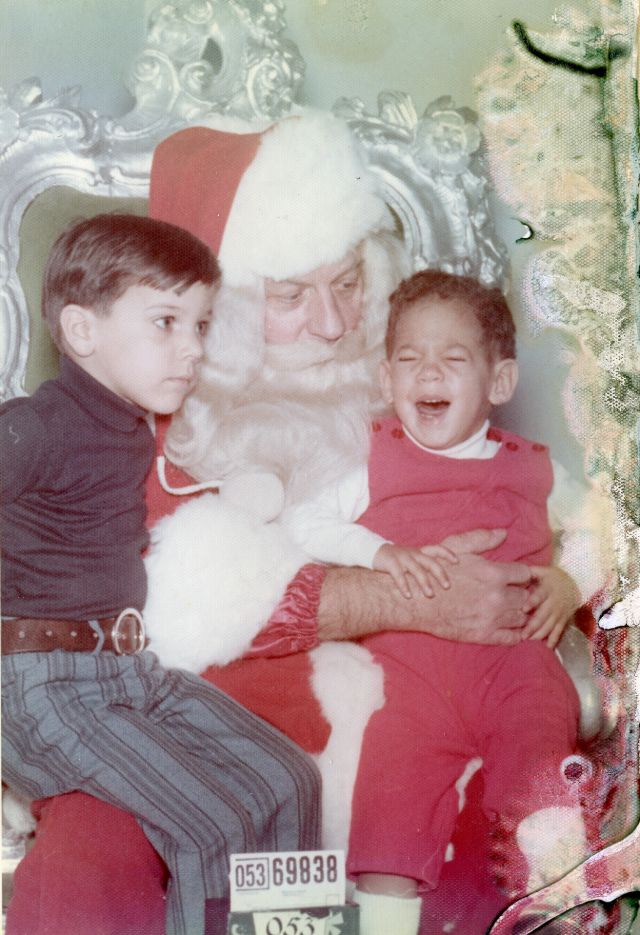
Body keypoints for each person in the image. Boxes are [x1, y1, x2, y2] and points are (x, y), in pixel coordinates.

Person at [5, 113, 591, 935]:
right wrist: (407, 596)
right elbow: (175, 603)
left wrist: (555, 580)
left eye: (348, 284)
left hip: (419, 721)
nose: (333, 324)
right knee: (93, 860)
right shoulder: (139, 421)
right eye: (289, 297)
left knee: (494, 848)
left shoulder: (420, 400)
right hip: (172, 712)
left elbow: (548, 521)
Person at [0, 213, 321, 935]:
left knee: (288, 778)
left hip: (127, 673)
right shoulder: (33, 427)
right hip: (43, 689)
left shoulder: (129, 424)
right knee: (213, 822)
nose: (193, 348)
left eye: (200, 325)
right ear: (82, 330)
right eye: (166, 322)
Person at [283, 269, 608, 935]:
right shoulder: (372, 458)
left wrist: (569, 580)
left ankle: (552, 908)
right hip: (410, 679)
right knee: (386, 826)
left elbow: (605, 531)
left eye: (453, 359)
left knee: (542, 792)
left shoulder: (532, 466)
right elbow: (304, 523)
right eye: (410, 359)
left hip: (516, 666)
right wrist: (377, 551)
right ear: (386, 380)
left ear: (500, 382)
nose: (428, 372)